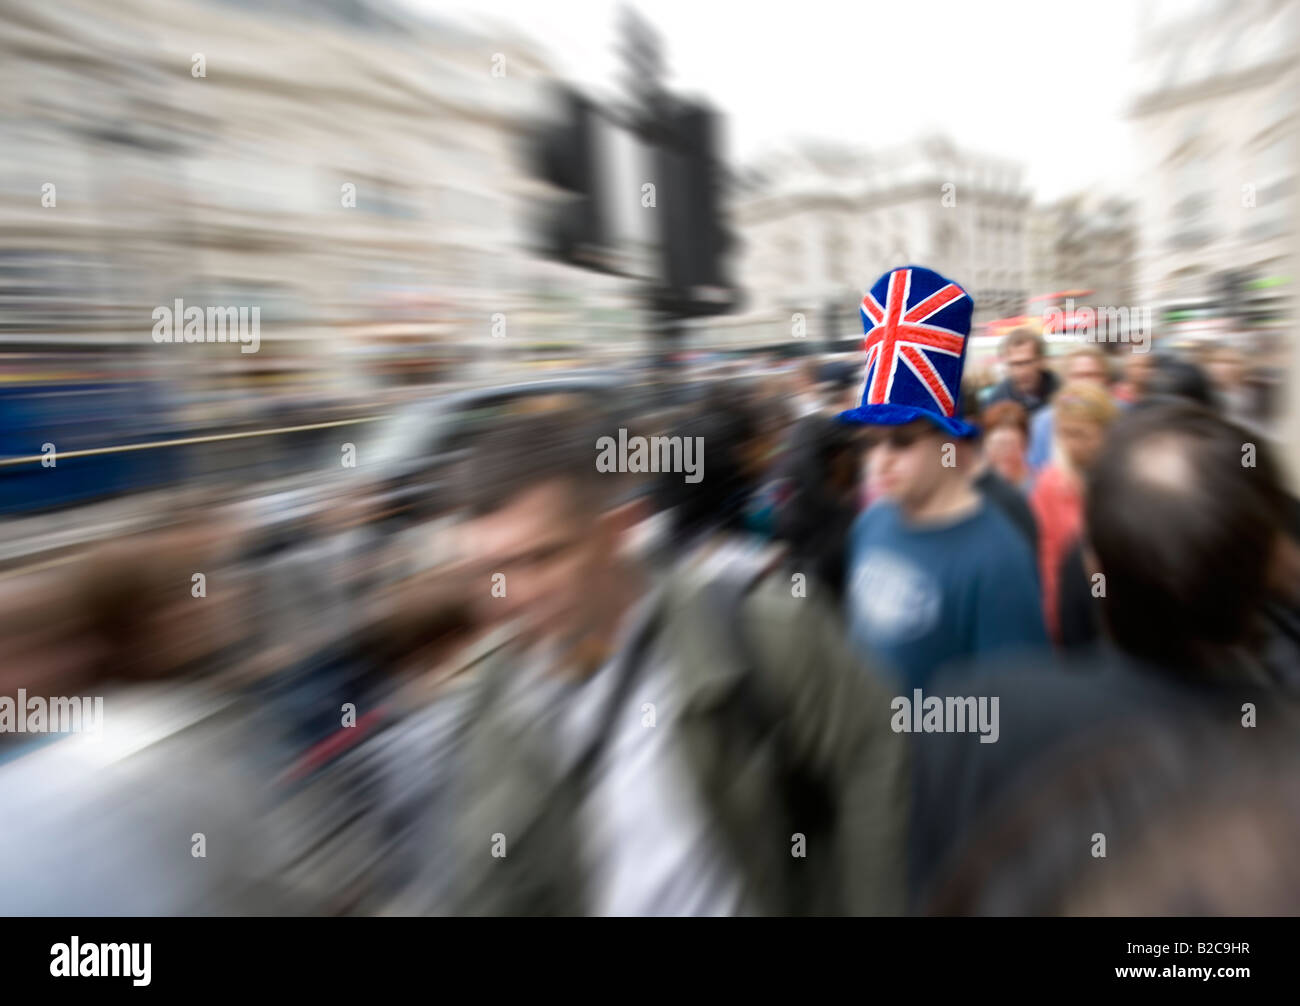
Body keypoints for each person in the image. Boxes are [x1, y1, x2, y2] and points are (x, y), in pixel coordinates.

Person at [401, 407, 907, 916]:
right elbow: (486, 882)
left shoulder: (760, 631)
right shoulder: (489, 710)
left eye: (543, 558)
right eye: (494, 569)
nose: (514, 594)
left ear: (618, 530)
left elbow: (873, 764)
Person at [839, 266, 1048, 691]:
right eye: (870, 443)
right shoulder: (869, 524)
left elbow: (1015, 714)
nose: (880, 462)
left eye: (901, 441)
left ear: (948, 439)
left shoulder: (999, 562)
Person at [1028, 381, 1118, 643]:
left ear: (1106, 432)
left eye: (1081, 434)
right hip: (1077, 614)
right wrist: (1055, 623)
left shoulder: (1125, 480)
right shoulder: (1051, 485)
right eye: (1065, 434)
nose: (1071, 444)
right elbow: (1048, 560)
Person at [1026, 345, 1111, 472]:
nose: (1086, 382)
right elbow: (1038, 471)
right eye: (1079, 376)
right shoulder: (1045, 422)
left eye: (1093, 375)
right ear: (1066, 379)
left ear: (1105, 378)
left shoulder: (1120, 416)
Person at [984, 326, 1060, 417]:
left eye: (1027, 362)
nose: (1021, 371)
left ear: (1041, 361)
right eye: (1014, 364)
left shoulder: (1061, 391)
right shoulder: (996, 401)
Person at [980, 400, 1033, 492]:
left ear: (1025, 445)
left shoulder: (1040, 488)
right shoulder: (977, 492)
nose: (1005, 453)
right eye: (998, 446)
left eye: (1011, 445)